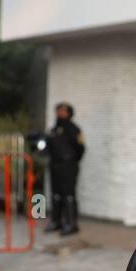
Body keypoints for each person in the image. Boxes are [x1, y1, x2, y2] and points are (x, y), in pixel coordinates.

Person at [44, 101, 84, 235]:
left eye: (63, 111)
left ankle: (71, 224)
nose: (60, 113)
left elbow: (81, 149)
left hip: (69, 167)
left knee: (68, 196)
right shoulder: (53, 129)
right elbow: (48, 146)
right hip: (55, 166)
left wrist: (71, 161)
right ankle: (56, 222)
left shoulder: (75, 129)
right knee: (55, 195)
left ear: (69, 113)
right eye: (58, 111)